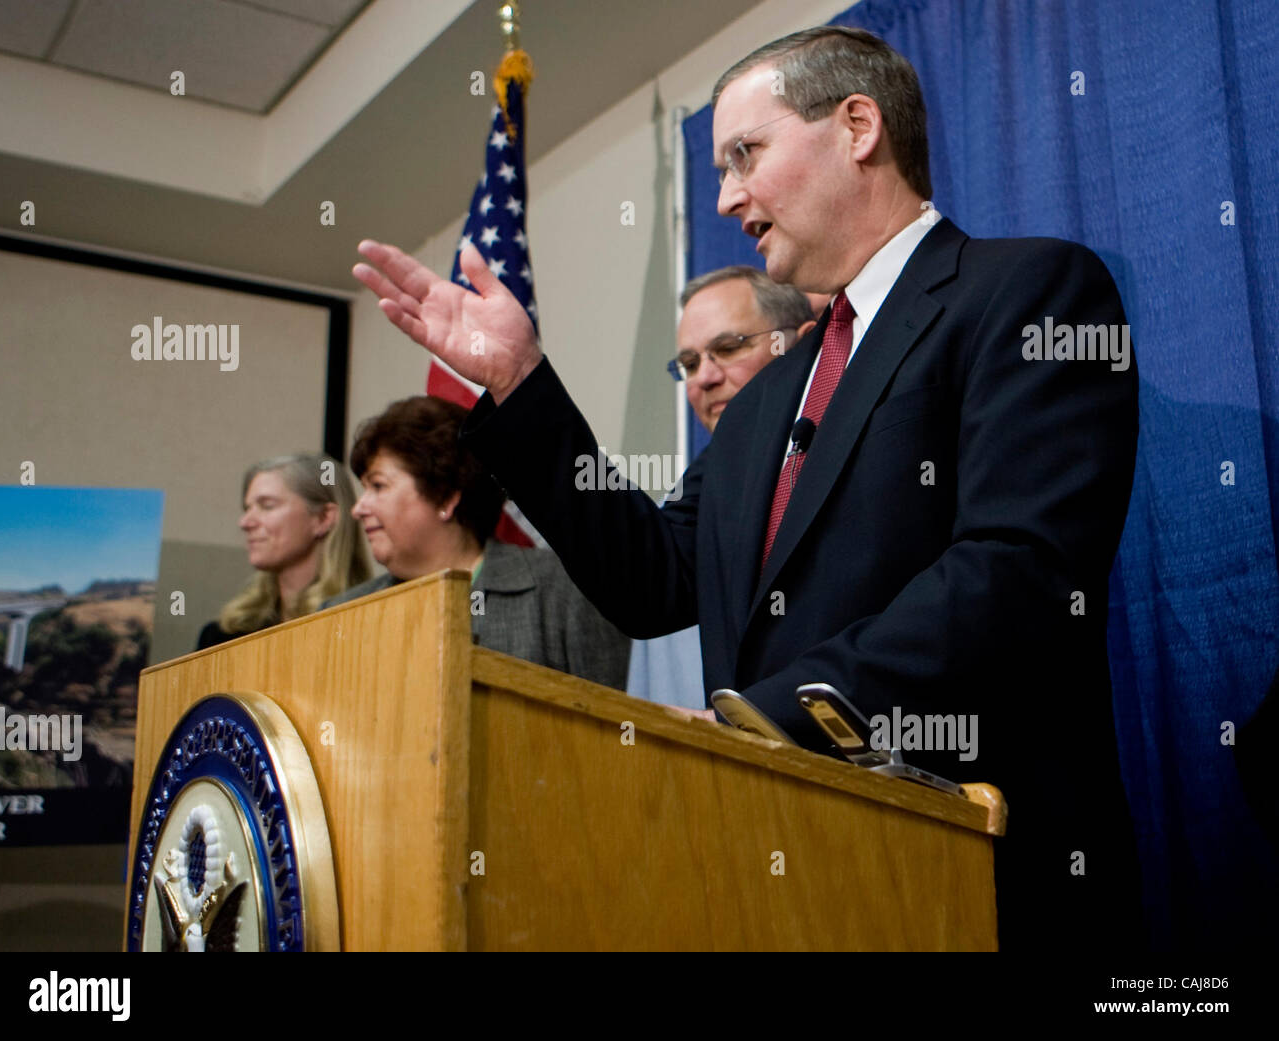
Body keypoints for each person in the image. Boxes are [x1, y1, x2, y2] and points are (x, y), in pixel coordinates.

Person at [351, 26, 1141, 949]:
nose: (727, 196)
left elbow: (1020, 573)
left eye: (745, 155)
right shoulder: (770, 396)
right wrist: (520, 383)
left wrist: (766, 718)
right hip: (773, 876)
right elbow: (653, 579)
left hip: (980, 876)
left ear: (856, 126)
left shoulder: (1030, 292)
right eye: (720, 165)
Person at [322, 395, 629, 690]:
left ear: (446, 496)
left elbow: (621, 724)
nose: (359, 508)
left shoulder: (563, 590)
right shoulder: (340, 615)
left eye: (378, 486)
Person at [628, 266, 814, 708]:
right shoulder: (674, 522)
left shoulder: (850, 466)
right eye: (689, 364)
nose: (704, 378)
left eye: (728, 348)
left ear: (803, 344)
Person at [198, 453, 371, 649]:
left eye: (267, 506)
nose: (245, 522)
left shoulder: (367, 625)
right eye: (247, 508)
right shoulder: (224, 636)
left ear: (324, 518)